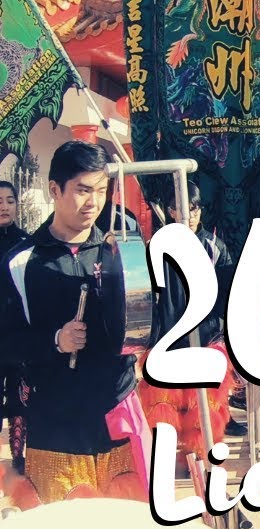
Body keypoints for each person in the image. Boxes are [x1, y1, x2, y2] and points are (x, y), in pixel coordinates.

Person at [0, 140, 151, 501]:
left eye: (101, 190)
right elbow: (6, 341)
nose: (93, 202)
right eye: (83, 190)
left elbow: (146, 326)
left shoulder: (120, 254)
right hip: (55, 427)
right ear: (55, 189)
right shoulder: (22, 261)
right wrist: (55, 341)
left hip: (116, 418)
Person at [138, 181, 244, 452]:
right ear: (171, 211)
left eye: (195, 209)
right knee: (166, 406)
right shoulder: (155, 248)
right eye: (184, 209)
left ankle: (202, 456)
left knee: (204, 409)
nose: (191, 215)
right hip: (169, 336)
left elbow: (229, 292)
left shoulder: (213, 246)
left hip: (206, 335)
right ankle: (165, 459)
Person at [0, 180, 31, 474]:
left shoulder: (26, 243)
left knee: (20, 399)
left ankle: (19, 460)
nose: (4, 206)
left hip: (20, 336)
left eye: (10, 200)